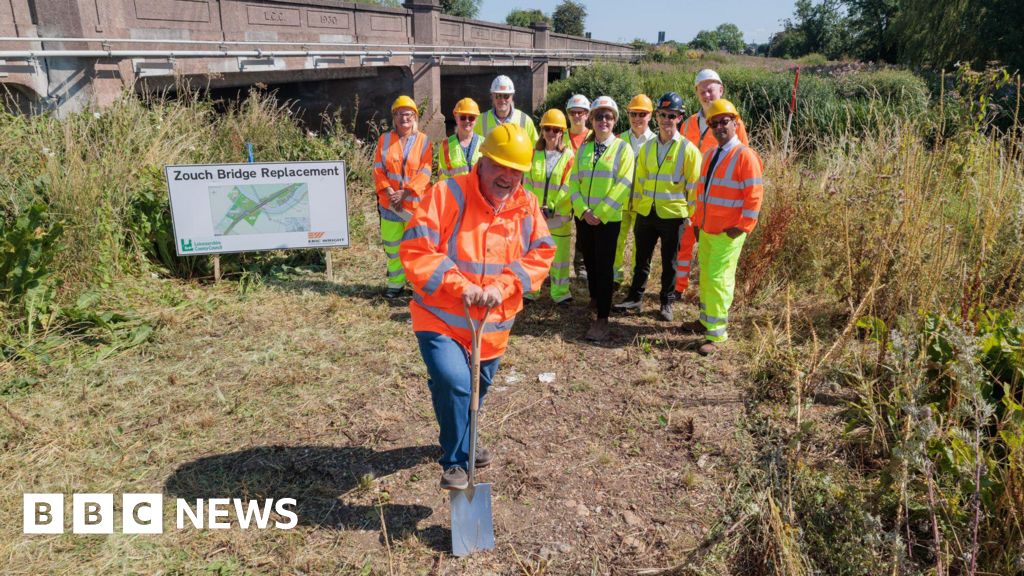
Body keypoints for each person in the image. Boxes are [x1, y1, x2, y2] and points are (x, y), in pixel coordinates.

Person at [399, 123, 556, 490]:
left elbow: (542, 252)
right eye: (499, 165)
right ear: (482, 161)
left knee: (474, 390)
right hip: (440, 316)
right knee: (455, 381)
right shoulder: (447, 194)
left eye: (515, 169)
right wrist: (461, 286)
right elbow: (416, 250)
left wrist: (504, 285)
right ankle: (456, 462)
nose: (507, 176)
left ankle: (462, 436)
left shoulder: (526, 205)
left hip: (493, 326)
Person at [681, 99, 763, 356]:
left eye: (724, 121)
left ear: (735, 123)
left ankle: (716, 335)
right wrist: (697, 223)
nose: (719, 127)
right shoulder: (710, 154)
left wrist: (743, 227)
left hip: (728, 232)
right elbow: (701, 192)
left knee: (718, 280)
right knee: (706, 276)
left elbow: (754, 196)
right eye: (714, 123)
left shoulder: (745, 156)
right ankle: (706, 321)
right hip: (707, 229)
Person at [615, 92, 701, 322]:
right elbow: (641, 180)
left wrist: (690, 216)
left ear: (679, 117)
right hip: (646, 212)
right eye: (662, 114)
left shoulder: (689, 150)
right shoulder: (648, 147)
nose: (666, 119)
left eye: (671, 115)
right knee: (641, 259)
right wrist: (639, 205)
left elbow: (694, 188)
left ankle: (666, 302)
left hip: (673, 216)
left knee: (669, 262)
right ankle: (635, 297)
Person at [675, 69, 751, 298]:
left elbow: (743, 158)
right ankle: (679, 287)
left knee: (714, 253)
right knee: (684, 241)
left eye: (711, 89)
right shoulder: (688, 123)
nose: (707, 94)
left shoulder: (732, 122)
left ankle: (710, 298)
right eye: (702, 90)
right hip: (689, 194)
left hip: (718, 200)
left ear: (721, 90)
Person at [569, 96, 635, 341]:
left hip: (607, 220)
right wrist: (583, 210)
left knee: (605, 268)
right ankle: (595, 300)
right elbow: (573, 180)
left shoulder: (622, 148)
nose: (603, 121)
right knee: (591, 262)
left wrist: (601, 213)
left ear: (614, 120)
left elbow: (624, 183)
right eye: (599, 116)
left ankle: (602, 319)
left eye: (608, 116)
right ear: (592, 120)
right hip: (585, 217)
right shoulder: (585, 148)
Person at [373, 95, 432, 298]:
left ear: (414, 116)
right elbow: (378, 169)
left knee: (417, 248)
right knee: (392, 246)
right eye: (400, 114)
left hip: (413, 206)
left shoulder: (424, 141)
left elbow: (426, 171)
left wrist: (405, 192)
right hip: (390, 206)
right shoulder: (385, 140)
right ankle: (395, 284)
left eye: (408, 114)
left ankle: (417, 287)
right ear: (394, 117)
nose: (404, 118)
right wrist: (389, 193)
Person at [522, 109, 575, 304]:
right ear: (542, 130)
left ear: (562, 132)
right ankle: (531, 291)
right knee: (534, 254)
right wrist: (536, 208)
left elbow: (569, 185)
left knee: (559, 258)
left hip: (559, 215)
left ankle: (560, 293)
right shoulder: (534, 154)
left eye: (555, 130)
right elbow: (527, 182)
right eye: (547, 129)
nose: (551, 134)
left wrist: (551, 206)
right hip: (536, 215)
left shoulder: (569, 156)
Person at [612, 94, 656, 287]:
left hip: (643, 204)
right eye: (633, 114)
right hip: (620, 202)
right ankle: (614, 276)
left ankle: (639, 280)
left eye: (642, 114)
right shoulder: (618, 140)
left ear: (650, 116)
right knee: (615, 241)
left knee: (642, 246)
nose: (637, 118)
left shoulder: (656, 142)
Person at [565, 93, 591, 282]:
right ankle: (556, 266)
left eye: (580, 113)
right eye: (573, 112)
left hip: (584, 191)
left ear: (587, 114)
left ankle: (581, 266)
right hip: (563, 192)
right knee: (560, 231)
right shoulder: (560, 134)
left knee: (583, 232)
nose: (577, 116)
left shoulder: (593, 136)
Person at [475, 75, 539, 144]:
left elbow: (536, 148)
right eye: (498, 96)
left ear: (512, 97)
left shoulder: (525, 120)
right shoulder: (480, 120)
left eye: (506, 96)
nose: (502, 100)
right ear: (492, 96)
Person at [438, 98, 483, 178]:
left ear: (476, 120)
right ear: (456, 118)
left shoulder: (484, 144)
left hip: (477, 190)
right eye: (463, 117)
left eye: (471, 118)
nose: (467, 121)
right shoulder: (445, 146)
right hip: (454, 190)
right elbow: (443, 177)